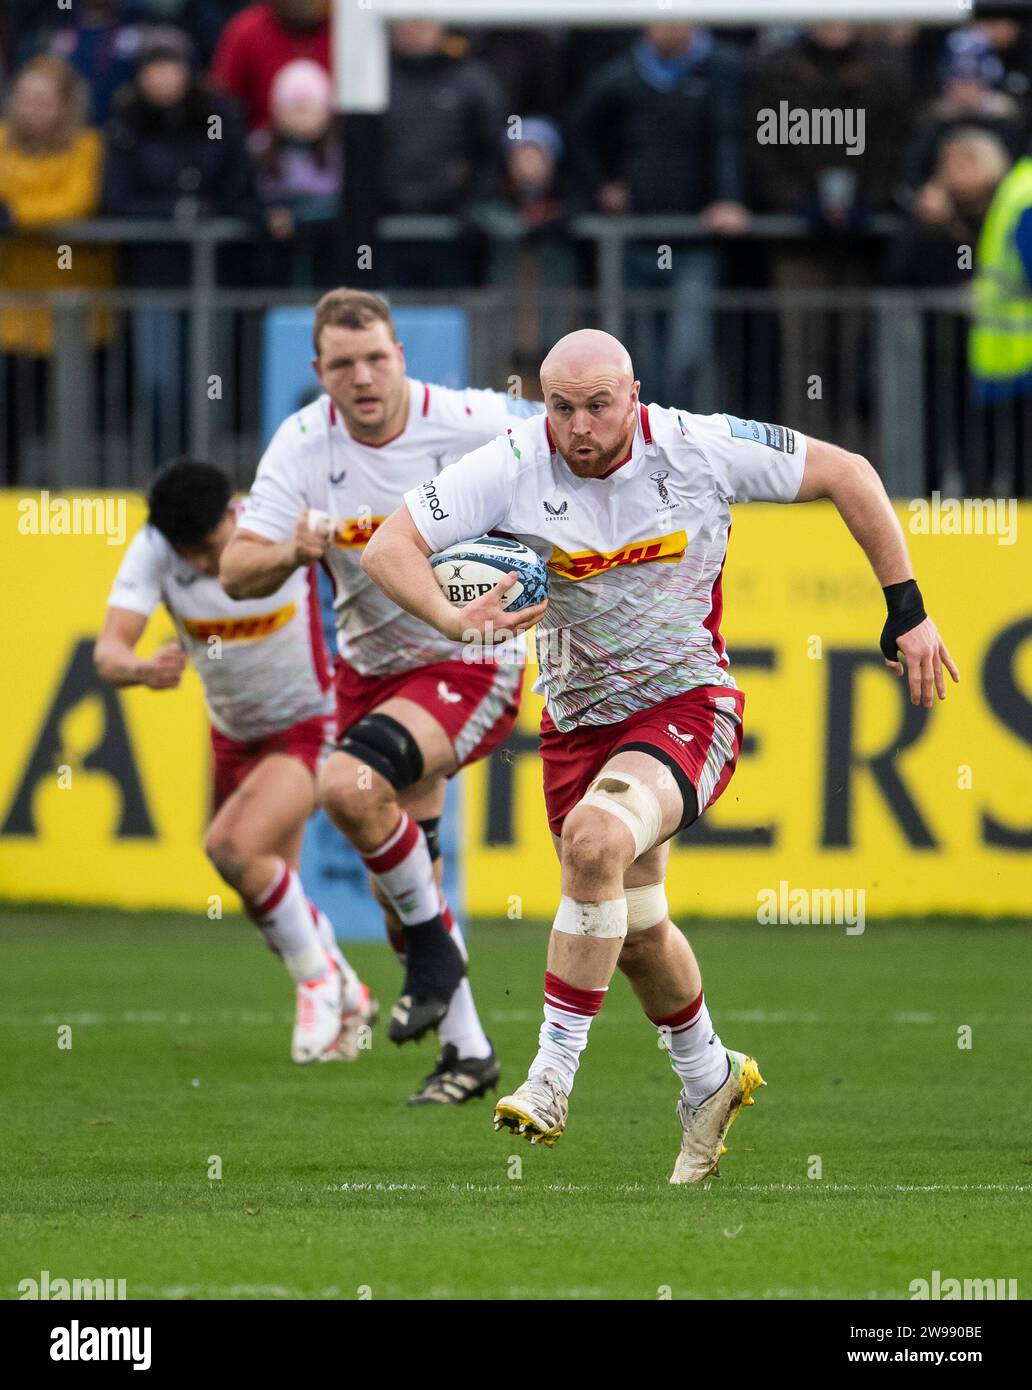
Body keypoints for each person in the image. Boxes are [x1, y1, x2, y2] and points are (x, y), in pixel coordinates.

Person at [360, 328, 960, 1182]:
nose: (579, 426)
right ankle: (709, 1077)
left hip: (691, 706)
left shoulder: (698, 447)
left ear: (634, 395)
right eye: (561, 406)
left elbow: (847, 471)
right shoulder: (512, 461)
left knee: (596, 843)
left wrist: (908, 610)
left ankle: (550, 1076)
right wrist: (456, 620)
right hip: (579, 726)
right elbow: (390, 547)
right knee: (636, 930)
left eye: (599, 405)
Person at [219, 288, 540, 1105]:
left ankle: (434, 956)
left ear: (401, 356)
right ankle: (468, 1054)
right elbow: (234, 570)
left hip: (469, 658)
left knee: (347, 786)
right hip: (370, 676)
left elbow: (569, 451)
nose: (362, 378)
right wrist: (293, 549)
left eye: (375, 359)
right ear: (319, 371)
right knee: (403, 891)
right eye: (342, 365)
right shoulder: (301, 443)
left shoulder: (472, 420)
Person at [95, 459, 375, 1064]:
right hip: (232, 737)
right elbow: (109, 651)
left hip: (308, 725)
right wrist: (142, 669)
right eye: (186, 553)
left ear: (232, 515)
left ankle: (320, 986)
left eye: (208, 548)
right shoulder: (155, 548)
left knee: (230, 848)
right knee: (274, 906)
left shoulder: (276, 530)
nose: (199, 565)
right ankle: (350, 991)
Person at [0, 55, 114, 483]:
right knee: (12, 419)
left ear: (66, 105)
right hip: (13, 310)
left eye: (44, 100)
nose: (33, 109)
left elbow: (75, 202)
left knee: (73, 419)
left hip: (75, 313)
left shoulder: (88, 147)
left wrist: (15, 216)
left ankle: (73, 505)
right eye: (26, 98)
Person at [212, 0, 330, 131]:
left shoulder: (346, 31)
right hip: (258, 143)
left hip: (338, 143)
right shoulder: (246, 31)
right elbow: (220, 104)